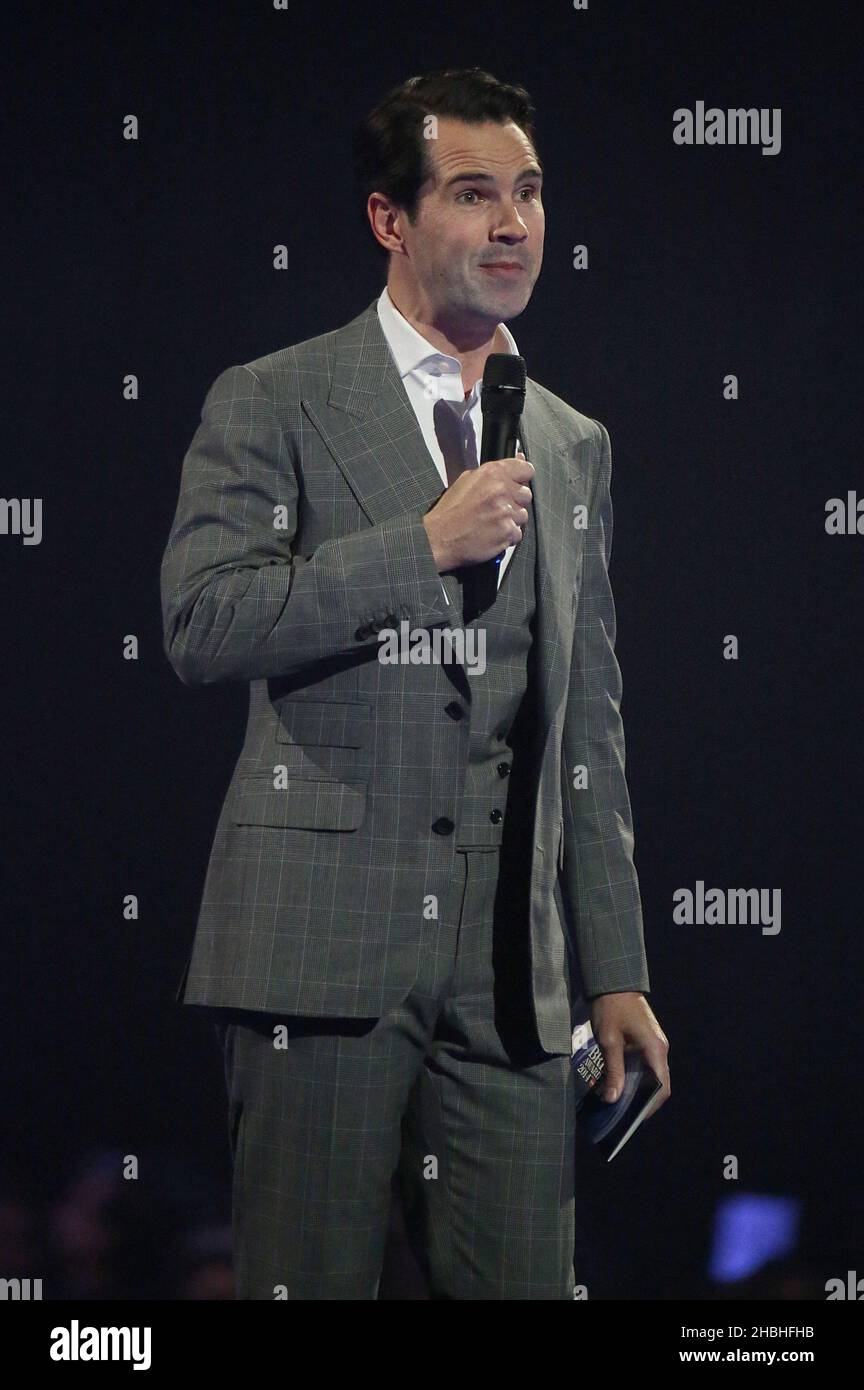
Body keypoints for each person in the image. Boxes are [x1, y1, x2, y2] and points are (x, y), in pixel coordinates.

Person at [160, 66, 670, 1301]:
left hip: (508, 985)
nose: (514, 224)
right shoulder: (274, 398)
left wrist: (616, 968)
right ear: (390, 219)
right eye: (474, 193)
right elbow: (202, 621)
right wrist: (421, 546)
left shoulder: (568, 438)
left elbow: (584, 726)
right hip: (316, 962)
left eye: (531, 193)